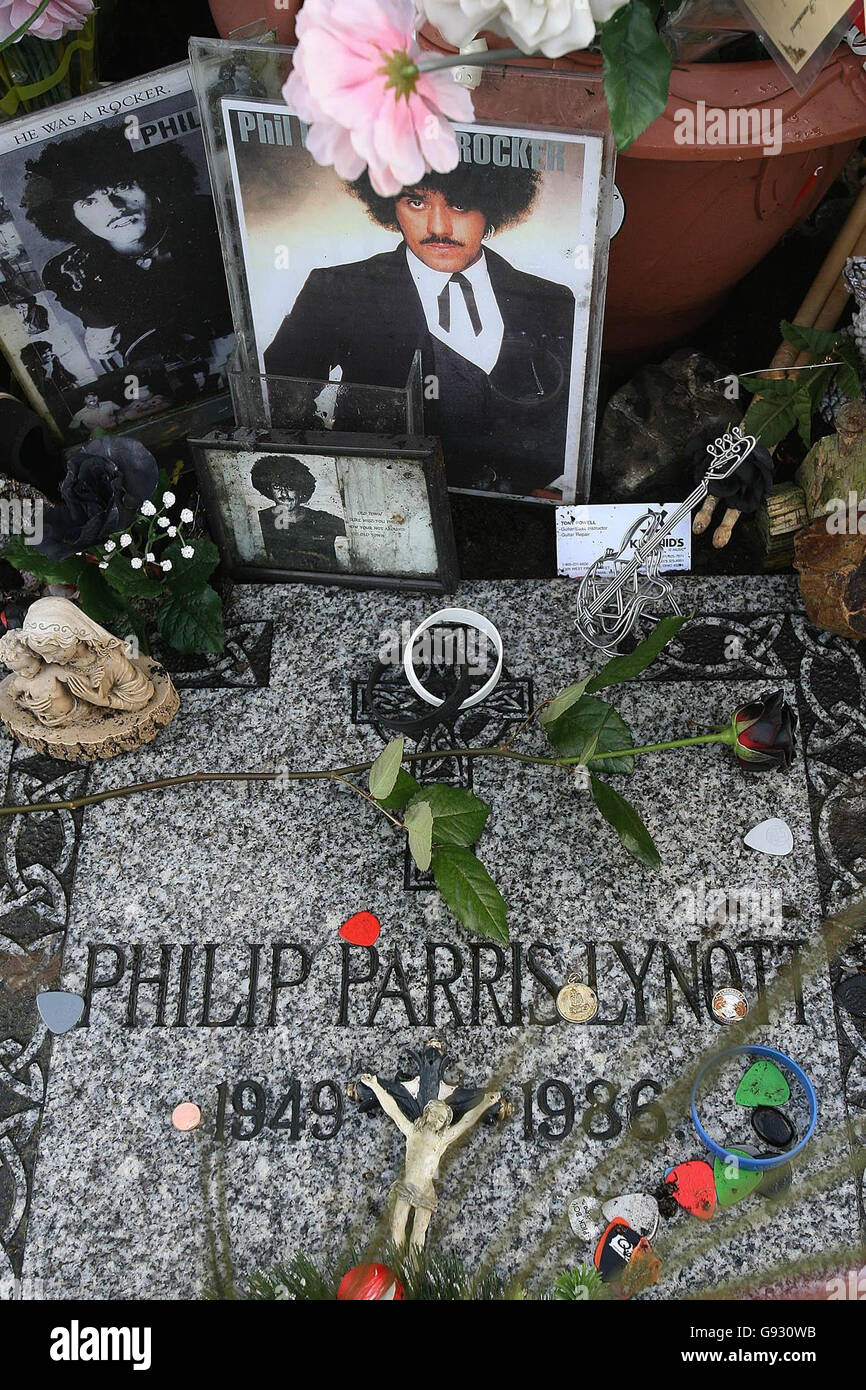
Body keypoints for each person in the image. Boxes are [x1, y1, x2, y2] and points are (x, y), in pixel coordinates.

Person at [264, 164, 575, 496]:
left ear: (493, 205)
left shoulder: (552, 301)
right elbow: (275, 401)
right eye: (416, 202)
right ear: (390, 205)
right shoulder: (337, 290)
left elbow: (567, 426)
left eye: (459, 204)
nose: (437, 227)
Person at [21, 124, 233, 374]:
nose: (113, 207)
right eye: (89, 201)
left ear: (152, 185)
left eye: (121, 186)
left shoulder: (207, 217)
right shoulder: (70, 274)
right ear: (70, 216)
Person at [250, 454, 346, 571]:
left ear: (301, 490)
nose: (283, 494)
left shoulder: (323, 520)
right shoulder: (258, 520)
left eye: (290, 488)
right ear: (269, 489)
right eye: (277, 487)